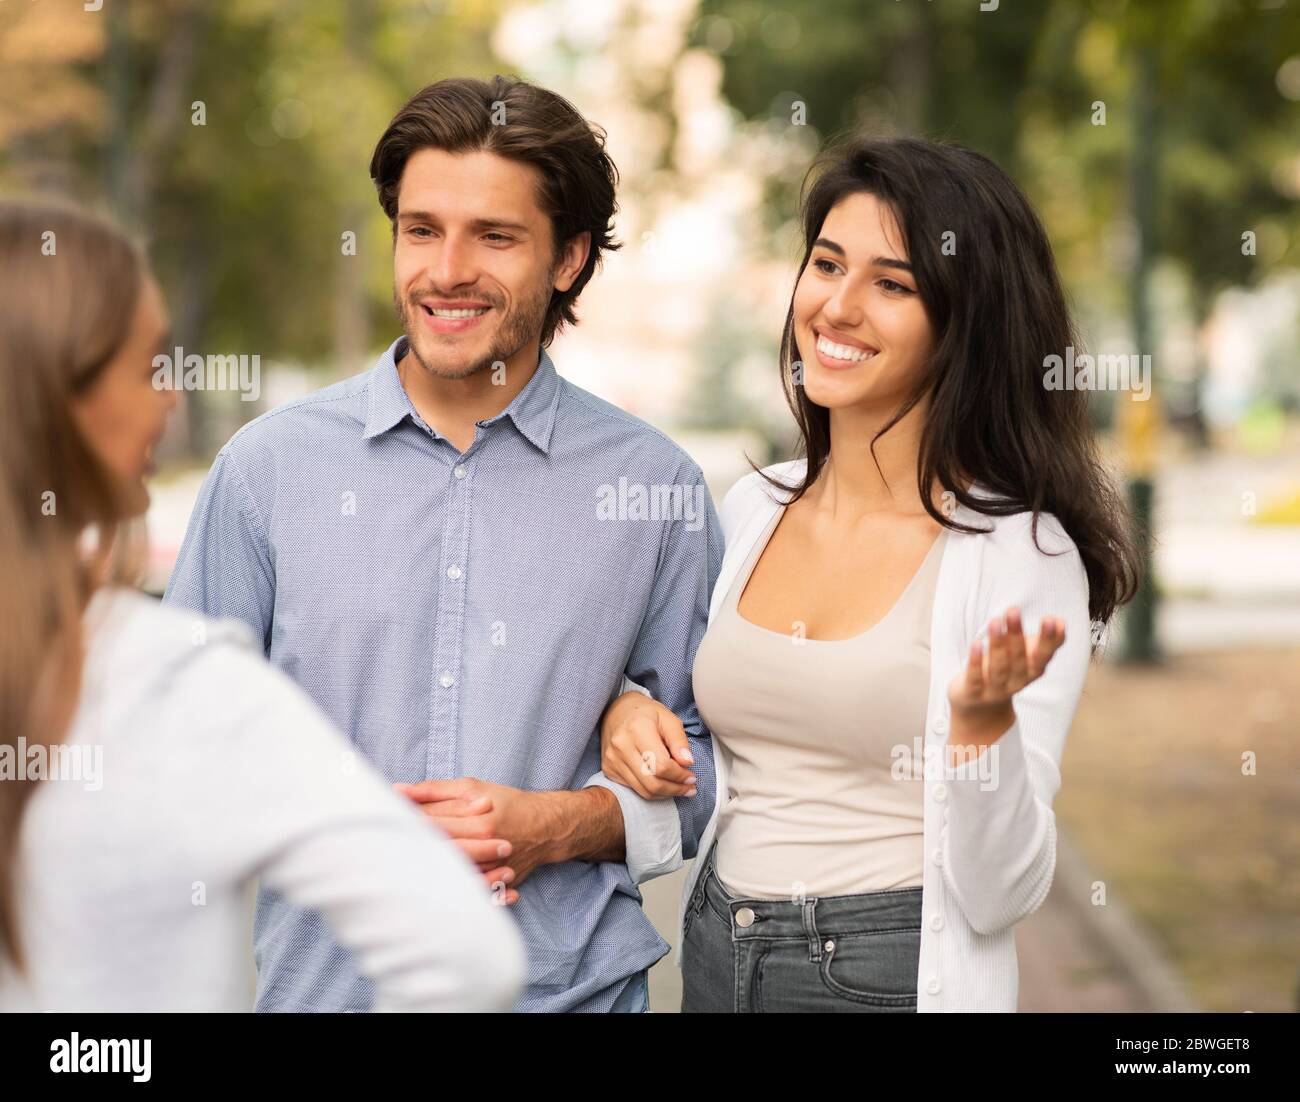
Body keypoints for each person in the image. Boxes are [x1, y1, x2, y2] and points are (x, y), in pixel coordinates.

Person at [163, 75, 722, 1014]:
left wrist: (561, 823)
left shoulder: (656, 491)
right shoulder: (266, 472)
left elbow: (706, 779)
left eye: (493, 237)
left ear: (569, 259)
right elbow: (175, 748)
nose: (446, 270)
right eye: (422, 230)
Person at [598, 135, 1141, 1012]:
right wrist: (627, 707)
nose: (837, 307)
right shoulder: (753, 507)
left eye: (892, 284)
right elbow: (692, 725)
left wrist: (979, 730)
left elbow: (1005, 891)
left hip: (880, 972)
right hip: (714, 948)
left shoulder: (1020, 552)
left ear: (965, 323)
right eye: (826, 264)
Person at [0, 198, 526, 1012]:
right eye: (148, 365)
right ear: (64, 396)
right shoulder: (175, 680)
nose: (172, 399)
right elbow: (468, 959)